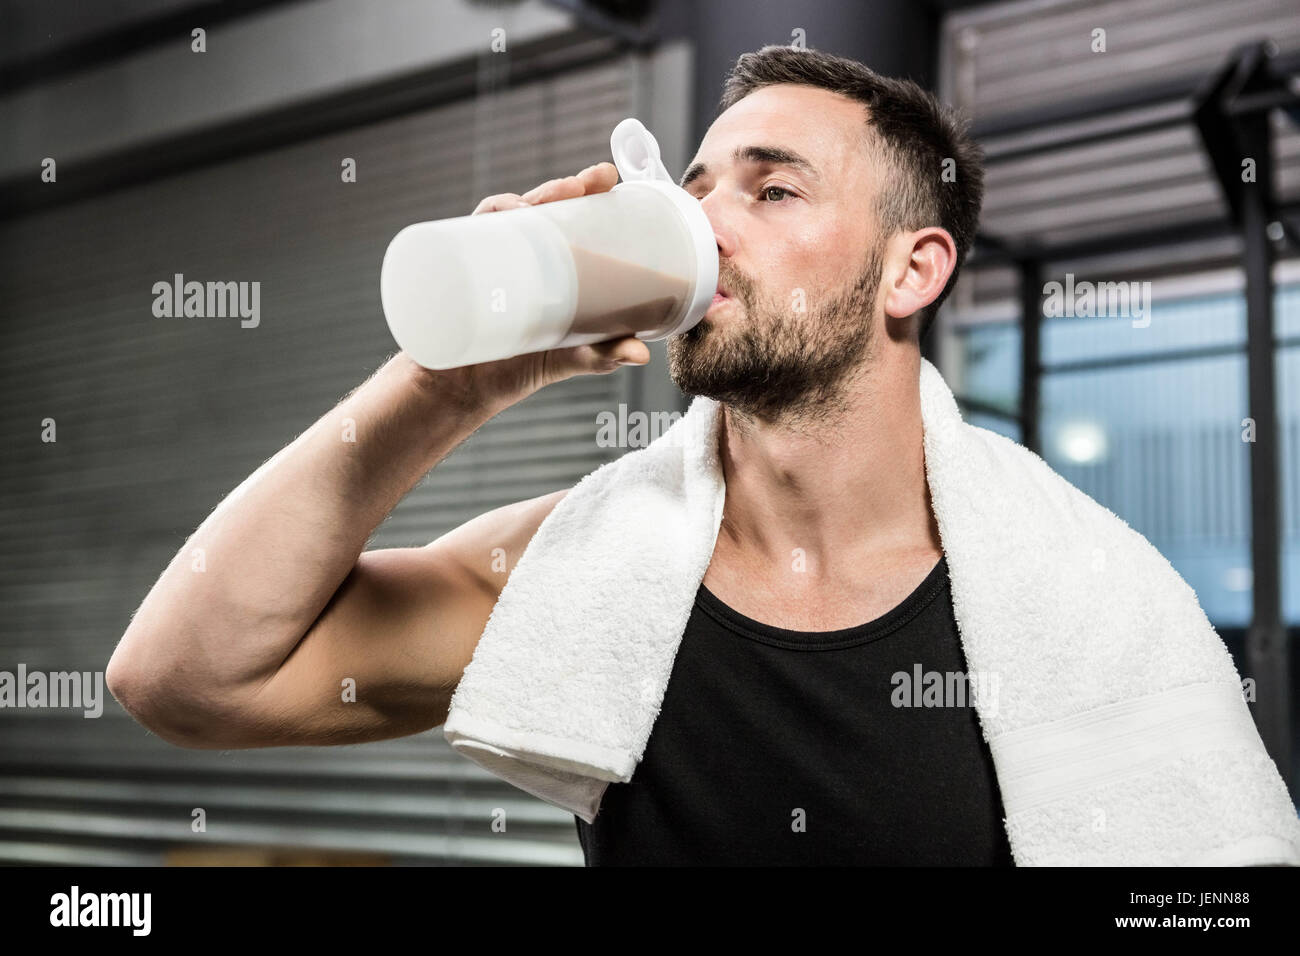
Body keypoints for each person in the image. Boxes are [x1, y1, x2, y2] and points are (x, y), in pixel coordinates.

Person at [107, 44, 1007, 865]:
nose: (708, 227)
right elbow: (184, 680)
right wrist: (448, 384)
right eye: (694, 195)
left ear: (913, 271)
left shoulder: (1055, 592)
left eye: (772, 192)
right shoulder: (587, 566)